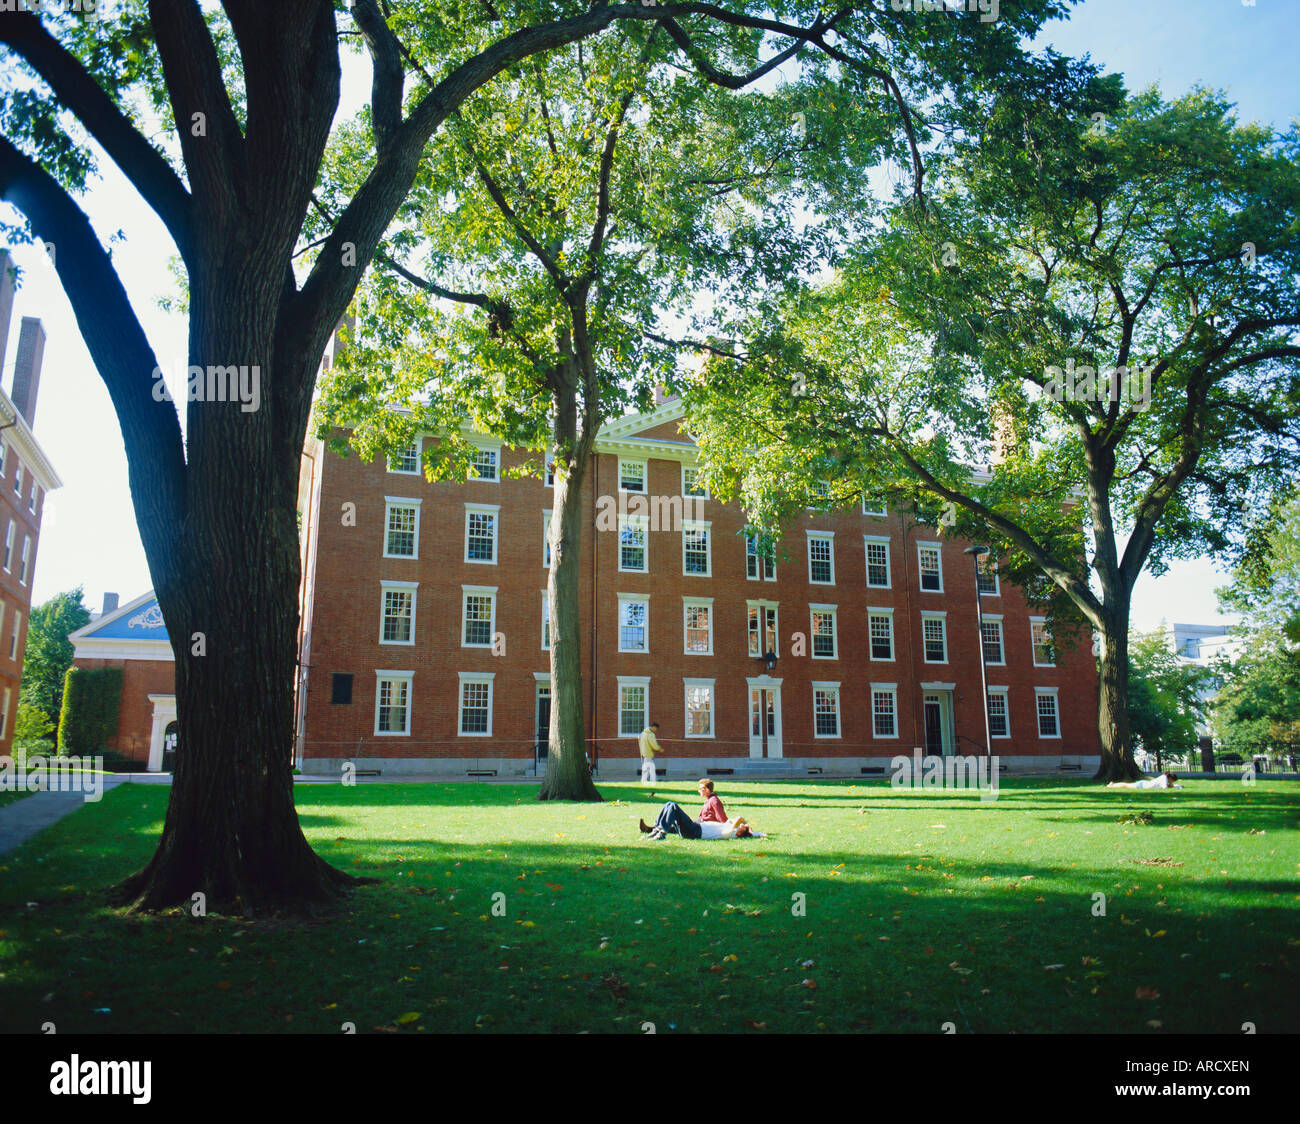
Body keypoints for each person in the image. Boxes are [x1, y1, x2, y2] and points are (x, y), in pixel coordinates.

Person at [1107, 770, 1182, 790]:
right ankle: (1112, 785)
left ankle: (1113, 785)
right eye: (1172, 781)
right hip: (1143, 785)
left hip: (1144, 784)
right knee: (1126, 785)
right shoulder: (1164, 779)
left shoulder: (1164, 778)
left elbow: (1168, 785)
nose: (1171, 782)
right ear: (1170, 778)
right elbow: (1165, 787)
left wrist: (1175, 786)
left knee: (1126, 785)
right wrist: (1175, 786)